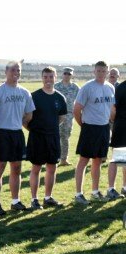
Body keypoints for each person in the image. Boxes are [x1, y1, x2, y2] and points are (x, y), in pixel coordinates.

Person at [0, 60, 35, 215]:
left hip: (17, 134)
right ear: (6, 72)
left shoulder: (24, 92)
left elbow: (29, 113)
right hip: (2, 134)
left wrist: (20, 122)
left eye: (18, 70)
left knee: (16, 168)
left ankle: (15, 201)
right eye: (13, 70)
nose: (16, 73)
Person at [73, 61, 116, 205]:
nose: (101, 73)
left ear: (108, 72)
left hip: (104, 128)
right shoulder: (87, 87)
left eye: (104, 71)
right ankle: (78, 194)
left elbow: (111, 108)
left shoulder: (110, 87)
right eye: (98, 71)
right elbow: (76, 110)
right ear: (94, 71)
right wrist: (83, 125)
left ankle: (95, 192)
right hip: (89, 128)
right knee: (83, 161)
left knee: (97, 161)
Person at [25, 67, 67, 210]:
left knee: (52, 167)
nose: (48, 80)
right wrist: (36, 130)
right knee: (36, 167)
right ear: (42, 78)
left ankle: (48, 198)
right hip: (37, 137)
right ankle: (34, 199)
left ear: (55, 77)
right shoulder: (34, 96)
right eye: (45, 77)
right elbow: (26, 120)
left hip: (53, 137)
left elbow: (61, 117)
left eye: (51, 77)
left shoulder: (60, 98)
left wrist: (50, 128)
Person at [54, 67, 80, 166]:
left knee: (65, 137)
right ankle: (54, 158)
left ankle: (63, 159)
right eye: (65, 73)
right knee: (55, 137)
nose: (67, 75)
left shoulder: (75, 87)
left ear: (72, 75)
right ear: (62, 74)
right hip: (56, 115)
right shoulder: (56, 86)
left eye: (69, 74)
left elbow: (80, 100)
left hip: (69, 115)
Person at [107, 79, 126, 199]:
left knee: (117, 158)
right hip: (121, 125)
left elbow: (113, 110)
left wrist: (114, 121)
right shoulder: (120, 88)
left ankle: (117, 188)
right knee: (116, 158)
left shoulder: (120, 87)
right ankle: (112, 188)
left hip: (120, 125)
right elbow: (113, 109)